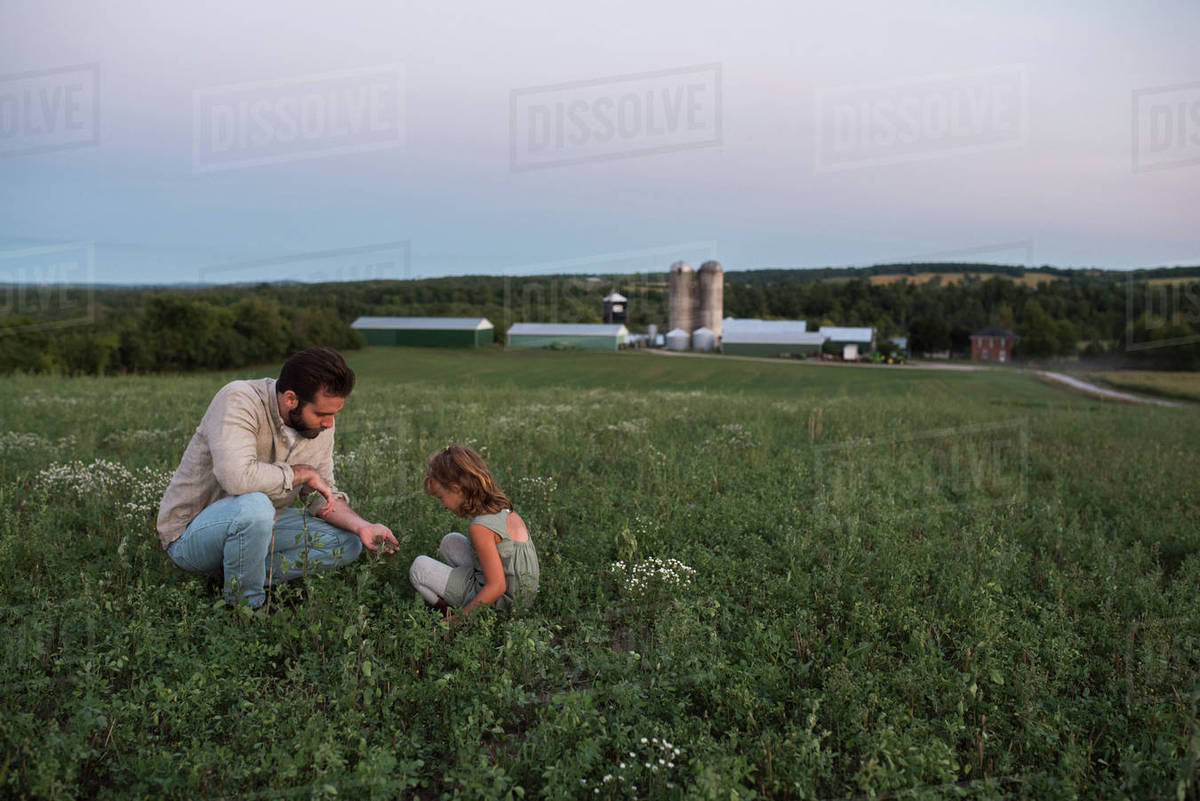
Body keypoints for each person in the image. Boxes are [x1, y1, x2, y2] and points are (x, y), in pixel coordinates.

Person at [157, 346, 398, 610]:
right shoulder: (239, 399)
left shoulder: (318, 426)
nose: (329, 423)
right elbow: (236, 478)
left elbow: (321, 494)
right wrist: (299, 473)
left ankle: (232, 577)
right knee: (256, 505)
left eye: (333, 414)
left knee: (348, 542)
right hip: (192, 535)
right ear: (291, 399)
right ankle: (245, 608)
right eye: (321, 414)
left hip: (257, 526)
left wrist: (362, 526)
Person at [409, 444, 539, 618]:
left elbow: (497, 586)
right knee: (450, 542)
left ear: (456, 488)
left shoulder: (480, 527)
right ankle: (460, 601)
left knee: (419, 567)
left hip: (503, 605)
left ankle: (451, 615)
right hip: (521, 596)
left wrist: (458, 621)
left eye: (442, 498)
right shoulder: (503, 509)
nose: (444, 506)